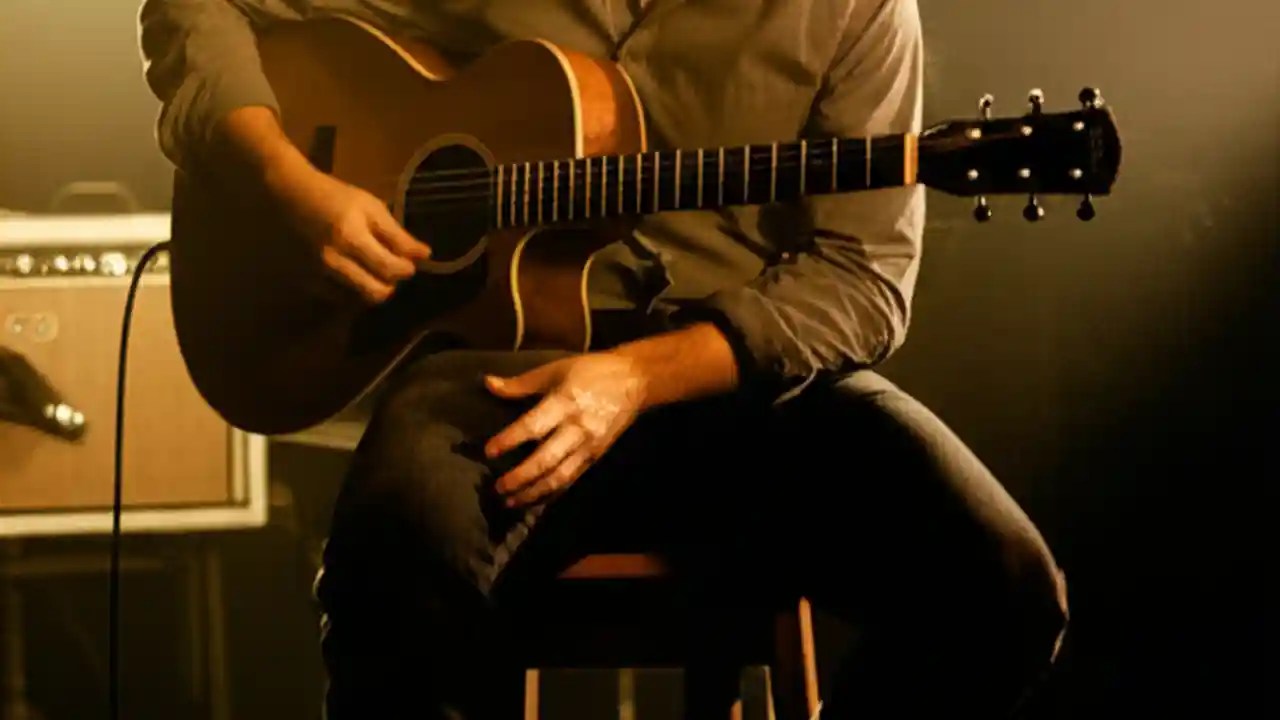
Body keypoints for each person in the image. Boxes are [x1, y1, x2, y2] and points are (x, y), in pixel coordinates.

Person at [138, 1, 1069, 717]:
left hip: (742, 378)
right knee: (392, 568)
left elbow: (863, 278)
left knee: (1003, 588)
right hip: (505, 360)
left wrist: (635, 378)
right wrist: (286, 181)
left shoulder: (855, 8)